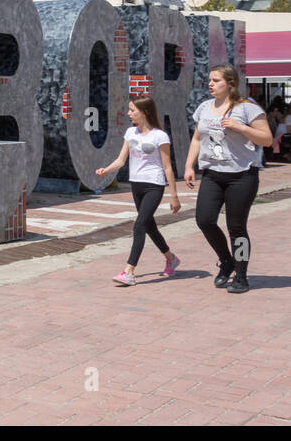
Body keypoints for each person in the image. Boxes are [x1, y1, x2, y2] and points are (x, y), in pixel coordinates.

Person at [183, 64, 271, 294]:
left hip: (241, 176)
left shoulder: (247, 108)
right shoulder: (204, 108)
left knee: (237, 227)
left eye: (216, 80)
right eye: (210, 80)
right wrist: (189, 165)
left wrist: (241, 128)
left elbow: (267, 139)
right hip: (212, 175)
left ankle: (241, 275)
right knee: (204, 220)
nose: (210, 84)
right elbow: (197, 139)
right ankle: (226, 260)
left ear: (230, 84)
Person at [96, 96, 182, 286]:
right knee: (149, 226)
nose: (129, 113)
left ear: (145, 113)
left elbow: (168, 167)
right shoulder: (130, 132)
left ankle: (129, 271)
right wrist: (106, 170)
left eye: (132, 110)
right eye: (129, 110)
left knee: (139, 226)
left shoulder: (160, 136)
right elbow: (121, 160)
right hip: (137, 184)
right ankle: (171, 258)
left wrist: (174, 196)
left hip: (154, 185)